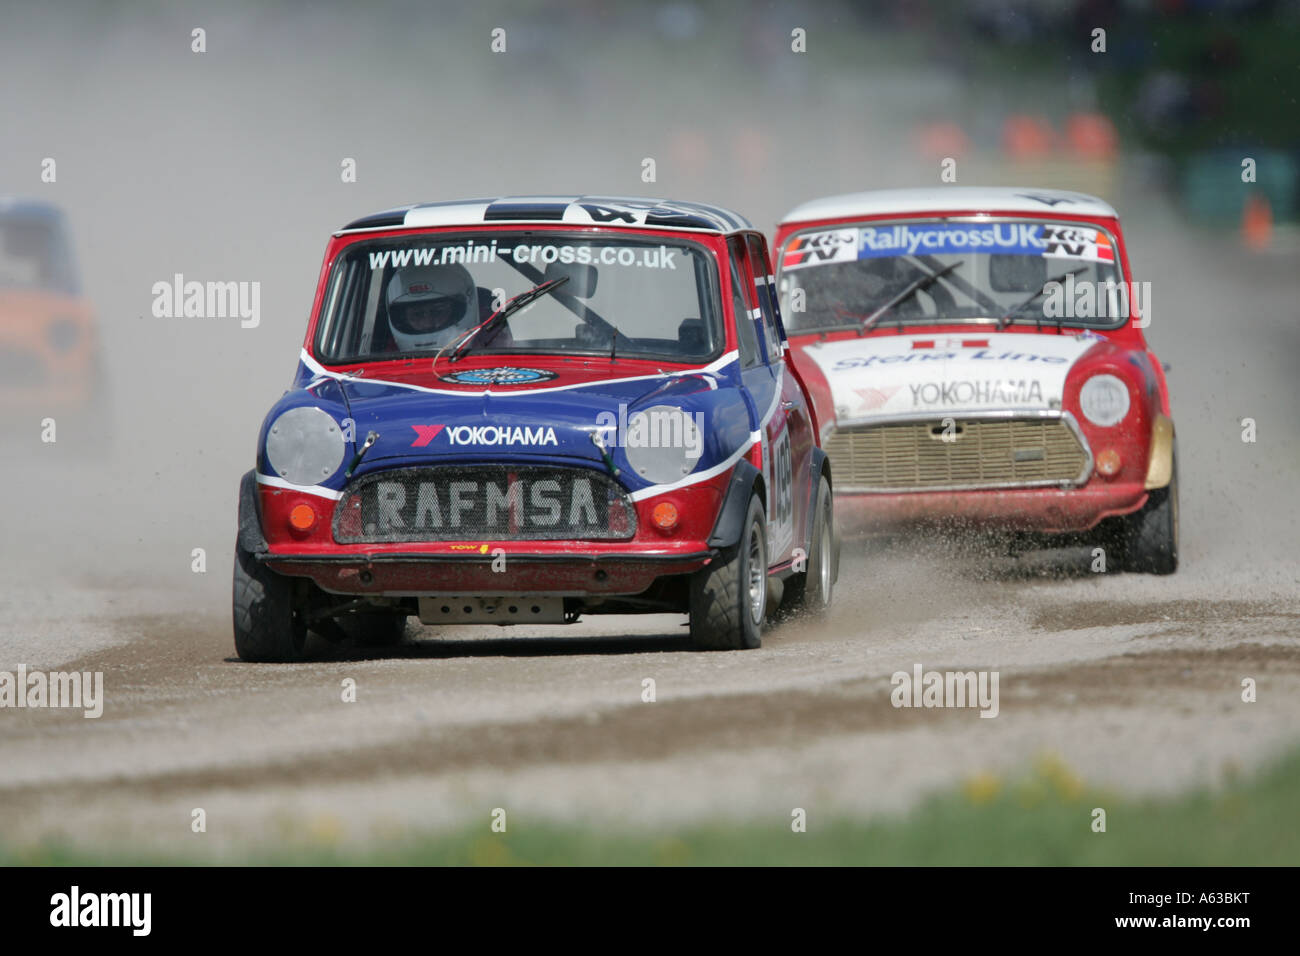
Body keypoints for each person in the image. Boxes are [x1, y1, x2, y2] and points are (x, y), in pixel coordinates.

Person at [385, 263, 486, 352]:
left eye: (437, 312)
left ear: (456, 312)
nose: (427, 323)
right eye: (417, 315)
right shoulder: (384, 357)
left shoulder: (490, 340)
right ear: (403, 319)